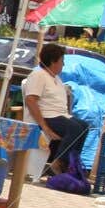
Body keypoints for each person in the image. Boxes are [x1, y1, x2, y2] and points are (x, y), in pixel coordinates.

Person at [24, 43, 88, 175]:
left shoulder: (56, 78)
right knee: (74, 128)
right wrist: (45, 127)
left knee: (84, 126)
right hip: (46, 116)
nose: (63, 65)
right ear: (53, 62)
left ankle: (71, 164)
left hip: (60, 116)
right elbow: (31, 100)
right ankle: (58, 162)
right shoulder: (38, 75)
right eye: (62, 61)